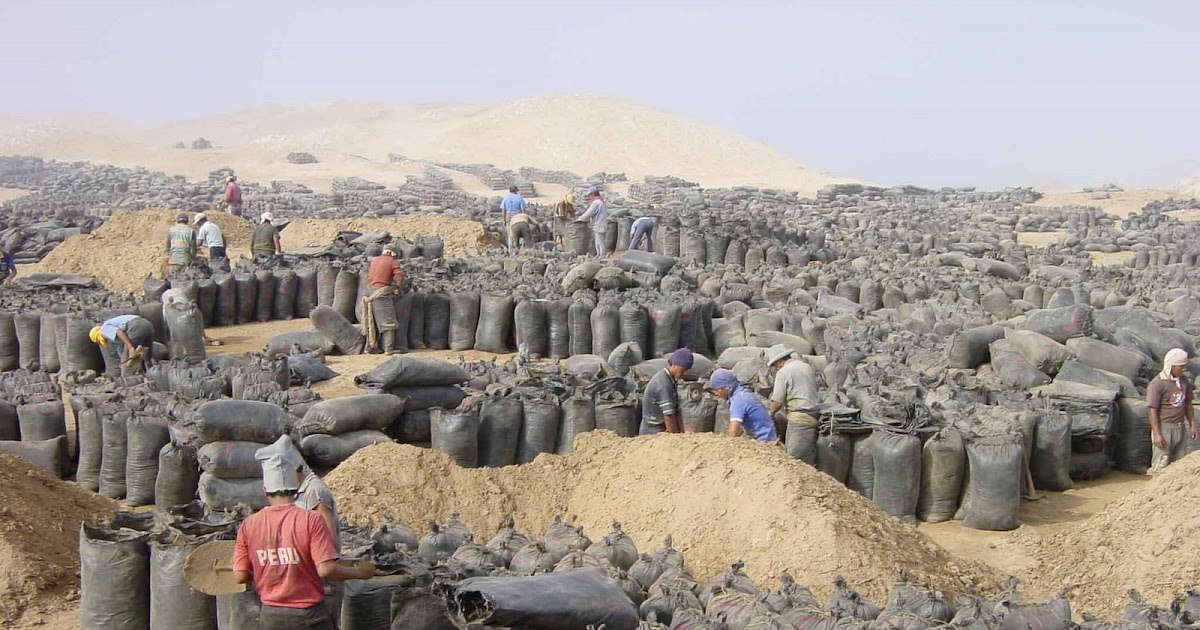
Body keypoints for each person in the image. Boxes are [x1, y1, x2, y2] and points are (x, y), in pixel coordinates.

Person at [233, 437, 372, 630]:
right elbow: (326, 569)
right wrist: (359, 572)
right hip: (309, 616)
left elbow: (240, 576)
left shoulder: (248, 525)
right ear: (295, 487)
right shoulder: (310, 519)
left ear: (265, 491)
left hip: (270, 616)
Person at [1146, 348, 1198, 474]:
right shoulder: (1157, 384)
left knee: (1179, 464)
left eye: (1185, 366)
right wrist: (1157, 434)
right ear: (1171, 366)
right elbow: (1152, 409)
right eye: (1181, 367)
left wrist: (1192, 425)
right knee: (1161, 465)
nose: (1184, 369)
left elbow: (1188, 404)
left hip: (1180, 427)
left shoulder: (1183, 381)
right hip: (1164, 428)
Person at [766, 344, 820, 459]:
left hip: (800, 418)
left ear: (780, 360)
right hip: (815, 412)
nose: (776, 368)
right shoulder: (806, 366)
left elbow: (777, 402)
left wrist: (770, 414)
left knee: (795, 459)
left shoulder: (783, 372)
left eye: (775, 364)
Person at [709, 368, 778, 442]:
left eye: (717, 390)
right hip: (765, 436)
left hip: (764, 440)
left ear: (726, 387)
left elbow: (733, 433)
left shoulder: (739, 400)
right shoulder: (740, 394)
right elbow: (739, 429)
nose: (716, 394)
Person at [639, 348, 694, 435]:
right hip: (652, 431)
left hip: (659, 427)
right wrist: (675, 438)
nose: (684, 373)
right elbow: (669, 416)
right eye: (683, 369)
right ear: (675, 365)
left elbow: (674, 411)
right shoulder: (664, 384)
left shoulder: (670, 379)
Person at [361, 247, 404, 354]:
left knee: (372, 322)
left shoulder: (374, 260)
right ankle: (389, 348)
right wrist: (399, 289)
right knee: (388, 322)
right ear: (393, 254)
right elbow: (399, 276)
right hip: (381, 294)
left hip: (369, 292)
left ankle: (370, 347)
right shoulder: (392, 261)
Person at [89, 314, 154, 374]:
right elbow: (121, 350)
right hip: (147, 324)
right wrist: (122, 360)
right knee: (147, 357)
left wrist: (130, 348)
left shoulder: (103, 329)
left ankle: (127, 380)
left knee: (126, 365)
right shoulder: (115, 337)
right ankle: (151, 374)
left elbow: (119, 332)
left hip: (136, 326)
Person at [578, 189, 609, 257]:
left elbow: (589, 213)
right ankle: (599, 255)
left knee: (600, 242)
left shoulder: (596, 203)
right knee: (599, 241)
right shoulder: (600, 201)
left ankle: (602, 256)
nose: (589, 197)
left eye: (590, 195)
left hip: (599, 224)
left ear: (593, 194)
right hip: (601, 223)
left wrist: (580, 219)